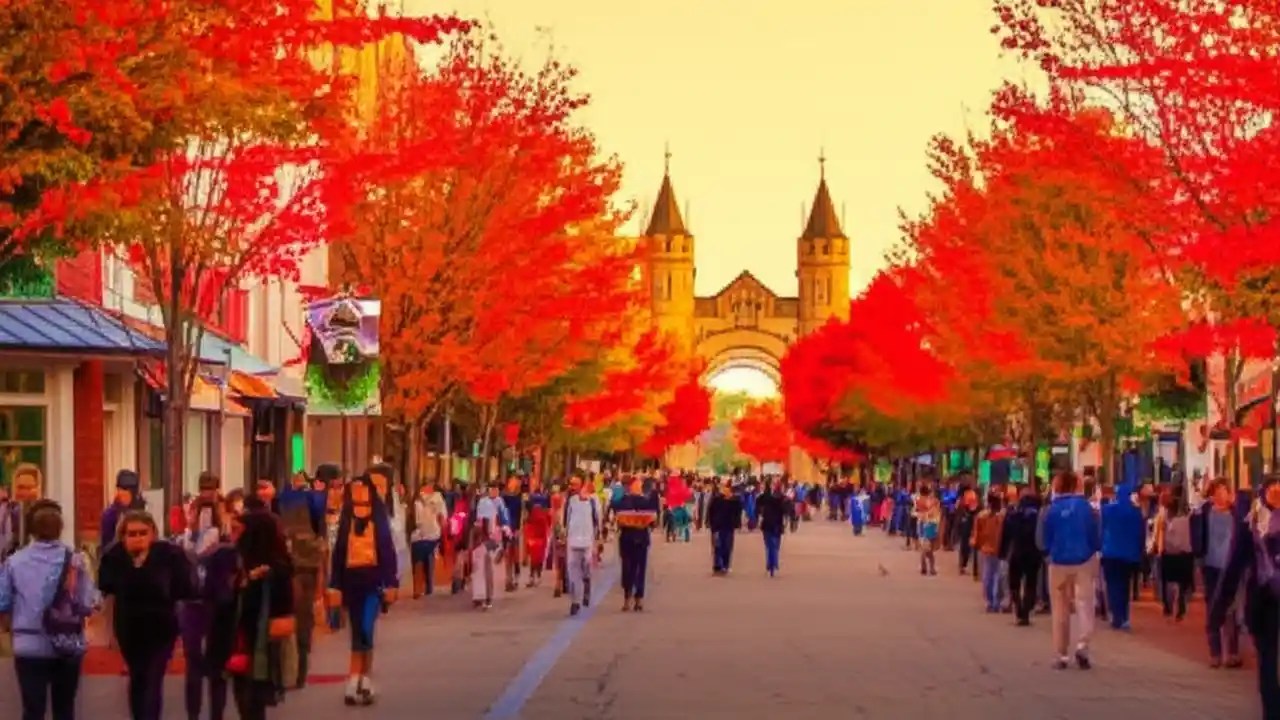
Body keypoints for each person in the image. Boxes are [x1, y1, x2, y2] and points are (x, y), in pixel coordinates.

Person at [0, 500, 98, 720]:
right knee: (64, 710)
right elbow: (87, 602)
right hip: (67, 643)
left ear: (32, 531)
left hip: (29, 645)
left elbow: (3, 601)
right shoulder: (76, 561)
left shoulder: (15, 562)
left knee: (33, 710)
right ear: (60, 529)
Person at [99, 510, 195, 720]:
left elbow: (185, 588)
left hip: (161, 627)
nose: (137, 538)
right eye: (131, 534)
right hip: (129, 627)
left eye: (142, 533)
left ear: (153, 533)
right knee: (138, 677)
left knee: (153, 677)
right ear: (122, 536)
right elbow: (108, 590)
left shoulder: (170, 555)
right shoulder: (114, 556)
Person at [326, 473, 399, 705]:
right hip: (351, 582)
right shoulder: (346, 518)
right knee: (358, 631)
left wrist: (392, 583)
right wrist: (334, 585)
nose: (358, 492)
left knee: (365, 628)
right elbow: (338, 554)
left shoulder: (379, 518)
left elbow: (388, 552)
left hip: (373, 581)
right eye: (354, 489)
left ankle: (360, 678)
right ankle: (358, 680)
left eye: (362, 488)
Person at [1210, 477, 1280, 716]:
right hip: (1264, 602)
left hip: (1265, 599)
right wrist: (1218, 611)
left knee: (1268, 661)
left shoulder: (1251, 523)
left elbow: (1233, 567)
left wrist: (1217, 612)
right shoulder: (1249, 523)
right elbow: (1233, 567)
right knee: (1268, 661)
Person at [177, 474, 241, 720]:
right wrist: (191, 528)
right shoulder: (190, 523)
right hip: (193, 603)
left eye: (210, 488)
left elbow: (222, 550)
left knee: (217, 666)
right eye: (203, 488)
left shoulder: (224, 514)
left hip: (218, 604)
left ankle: (216, 714)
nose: (207, 493)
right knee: (194, 664)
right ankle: (193, 714)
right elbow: (189, 553)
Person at [228, 510, 296, 720]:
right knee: (244, 696)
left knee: (252, 699)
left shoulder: (277, 567)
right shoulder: (236, 559)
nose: (232, 535)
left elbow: (284, 603)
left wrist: (258, 580)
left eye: (237, 530)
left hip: (261, 641)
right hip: (240, 639)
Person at [1037, 471, 1101, 670]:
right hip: (1083, 561)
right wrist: (1092, 551)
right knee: (1085, 605)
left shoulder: (1049, 510)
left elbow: (1041, 539)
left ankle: (1061, 653)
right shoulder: (1088, 509)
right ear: (1076, 486)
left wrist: (1049, 554)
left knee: (1059, 609)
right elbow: (1096, 535)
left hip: (1058, 563)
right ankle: (1083, 644)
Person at [277, 470, 326, 689]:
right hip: (300, 567)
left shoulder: (287, 501)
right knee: (299, 623)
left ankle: (292, 673)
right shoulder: (308, 501)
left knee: (295, 622)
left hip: (295, 568)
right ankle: (295, 674)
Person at [1196, 478, 1242, 668]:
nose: (1221, 495)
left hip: (1232, 567)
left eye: (1225, 490)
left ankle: (1232, 653)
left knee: (1231, 610)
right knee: (1213, 608)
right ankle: (1215, 653)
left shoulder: (1237, 514)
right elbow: (1197, 536)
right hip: (1212, 567)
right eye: (1218, 491)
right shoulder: (1204, 512)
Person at [1100, 481, 1144, 632]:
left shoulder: (1107, 510)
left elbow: (1102, 528)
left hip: (1111, 553)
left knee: (1113, 585)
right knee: (1125, 586)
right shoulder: (1136, 512)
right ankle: (1125, 617)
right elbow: (1141, 535)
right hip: (1129, 555)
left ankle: (1116, 616)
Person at [612, 476, 659, 611]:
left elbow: (617, 518)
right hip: (641, 539)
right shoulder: (646, 502)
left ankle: (628, 599)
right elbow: (653, 522)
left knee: (627, 569)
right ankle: (638, 599)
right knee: (639, 569)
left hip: (627, 539)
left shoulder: (622, 502)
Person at [1001, 484, 1042, 626]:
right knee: (1031, 583)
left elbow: (1006, 534)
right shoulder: (1039, 514)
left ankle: (1019, 609)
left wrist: (1003, 552)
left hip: (1017, 552)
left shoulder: (1013, 513)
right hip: (1034, 553)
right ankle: (1026, 610)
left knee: (1014, 583)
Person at [1156, 486, 1195, 621]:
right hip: (1184, 554)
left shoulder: (1164, 519)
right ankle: (1181, 607)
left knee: (1167, 581)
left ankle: (1168, 606)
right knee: (1182, 583)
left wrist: (1160, 549)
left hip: (1169, 554)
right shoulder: (1187, 519)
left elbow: (1160, 534)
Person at [563, 476, 600, 615]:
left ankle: (587, 584)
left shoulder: (592, 501)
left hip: (587, 541)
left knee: (586, 569)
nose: (572, 487)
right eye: (571, 484)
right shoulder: (569, 501)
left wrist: (598, 539)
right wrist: (564, 534)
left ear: (582, 485)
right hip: (573, 541)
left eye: (575, 484)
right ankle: (575, 602)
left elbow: (597, 521)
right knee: (573, 574)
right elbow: (565, 519)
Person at [410, 481, 447, 599]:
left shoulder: (436, 498)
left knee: (425, 560)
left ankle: (426, 586)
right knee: (419, 561)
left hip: (430, 534)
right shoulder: (415, 499)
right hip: (419, 534)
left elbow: (442, 517)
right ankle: (419, 588)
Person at [974, 493, 1006, 612]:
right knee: (999, 576)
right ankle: (996, 601)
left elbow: (977, 533)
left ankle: (989, 601)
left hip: (986, 549)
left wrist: (977, 544)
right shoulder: (1002, 517)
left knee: (988, 575)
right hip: (1000, 549)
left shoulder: (981, 516)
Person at [707, 481, 743, 575]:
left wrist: (737, 524)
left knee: (727, 547)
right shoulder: (716, 500)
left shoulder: (734, 501)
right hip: (718, 526)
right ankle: (718, 566)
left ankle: (725, 565)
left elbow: (738, 513)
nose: (726, 491)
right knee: (718, 546)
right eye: (724, 489)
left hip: (728, 527)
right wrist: (711, 524)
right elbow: (711, 512)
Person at [756, 480, 788, 577]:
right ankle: (774, 563)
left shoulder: (765, 497)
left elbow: (757, 505)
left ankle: (770, 563)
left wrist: (760, 514)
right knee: (775, 545)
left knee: (769, 545)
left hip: (768, 523)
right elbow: (787, 511)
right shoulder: (783, 498)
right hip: (777, 524)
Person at [916, 485, 941, 576]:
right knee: (928, 548)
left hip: (924, 524)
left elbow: (916, 512)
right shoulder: (934, 502)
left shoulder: (919, 500)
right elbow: (936, 514)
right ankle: (930, 568)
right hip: (929, 524)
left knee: (925, 547)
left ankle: (925, 567)